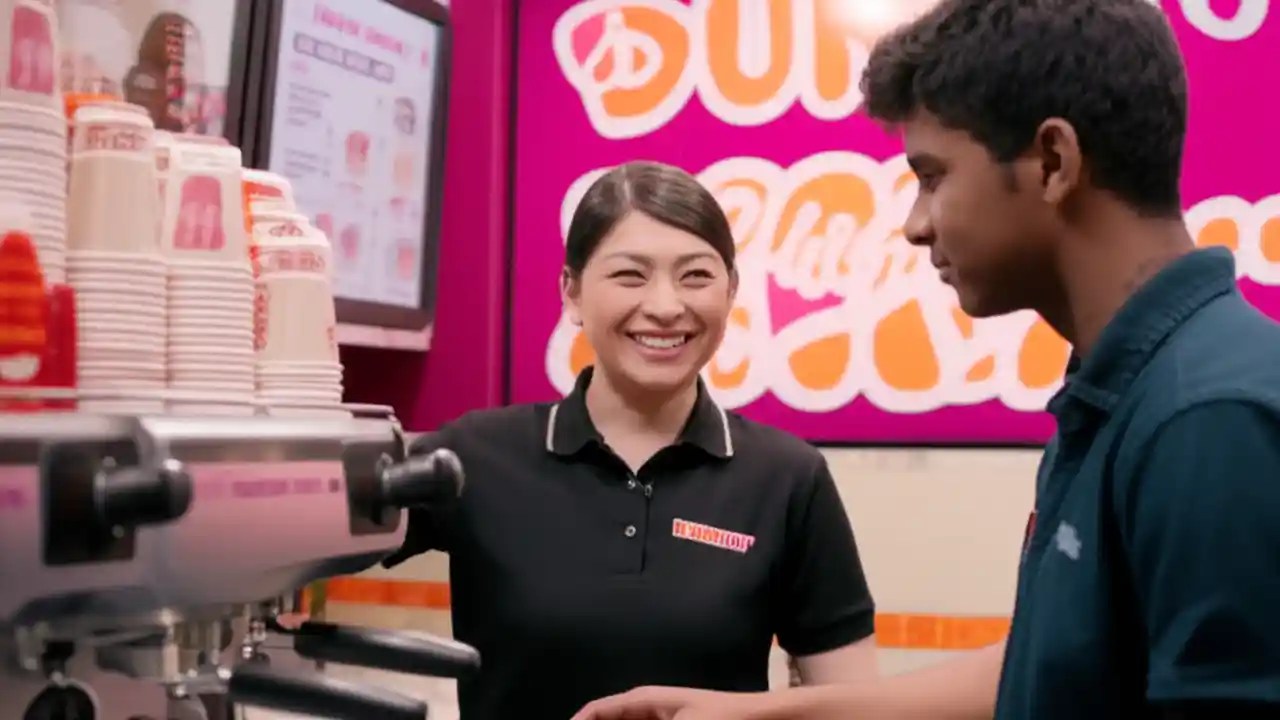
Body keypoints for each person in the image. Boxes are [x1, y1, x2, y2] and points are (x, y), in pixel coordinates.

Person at [572, 1, 1280, 719]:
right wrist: (759, 713)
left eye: (932, 176)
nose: (914, 225)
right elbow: (1065, 656)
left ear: (1053, 161)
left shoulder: (1209, 420)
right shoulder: (1123, 394)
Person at [382, 161, 880, 719]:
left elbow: (853, 704)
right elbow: (303, 535)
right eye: (630, 275)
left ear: (731, 290)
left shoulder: (788, 476)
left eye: (696, 275)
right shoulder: (473, 456)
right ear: (571, 292)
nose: (667, 306)